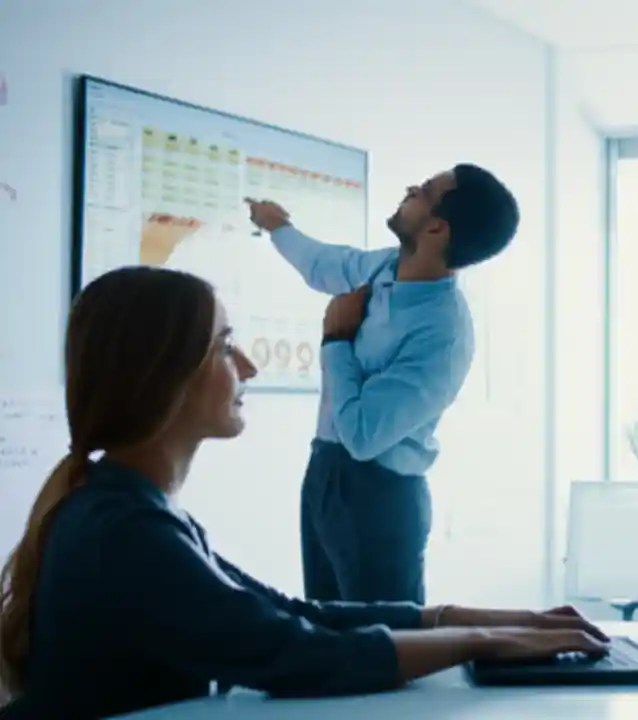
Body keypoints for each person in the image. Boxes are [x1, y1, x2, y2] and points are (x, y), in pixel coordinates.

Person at [0, 267, 607, 719]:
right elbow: (298, 653)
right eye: (223, 344)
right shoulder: (124, 530)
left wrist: (501, 620)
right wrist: (489, 643)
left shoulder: (126, 508)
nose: (248, 366)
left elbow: (295, 613)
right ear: (167, 372)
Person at [244, 163, 518, 605]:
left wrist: (336, 340)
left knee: (382, 651)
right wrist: (278, 226)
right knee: (326, 636)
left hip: (379, 497)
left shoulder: (442, 334)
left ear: (436, 229)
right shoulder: (385, 267)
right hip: (325, 472)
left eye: (424, 191)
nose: (411, 187)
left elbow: (363, 435)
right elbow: (324, 265)